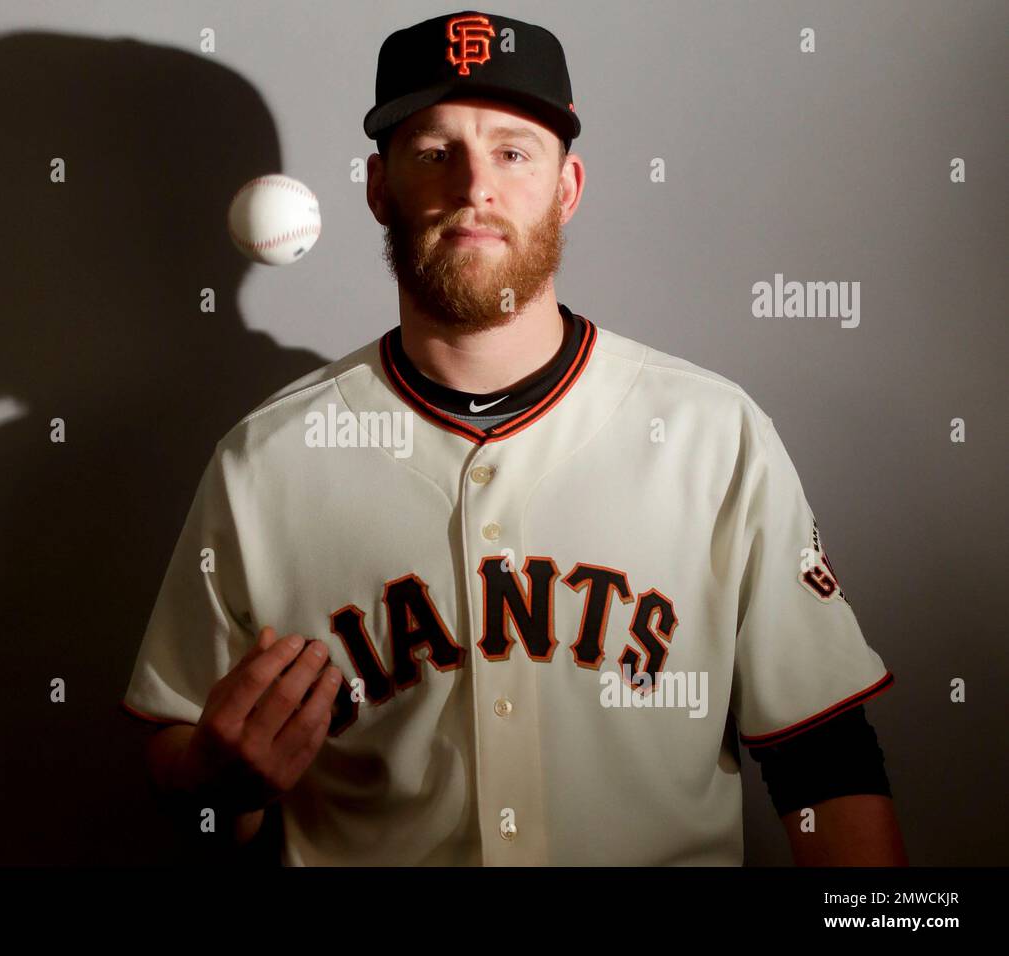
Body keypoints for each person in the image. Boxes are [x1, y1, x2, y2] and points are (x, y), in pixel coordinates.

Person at [122, 10, 905, 866]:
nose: (474, 188)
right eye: (434, 151)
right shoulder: (264, 463)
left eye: (512, 152)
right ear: (379, 188)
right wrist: (214, 783)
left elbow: (823, 761)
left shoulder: (714, 437)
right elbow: (175, 752)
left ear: (567, 188)